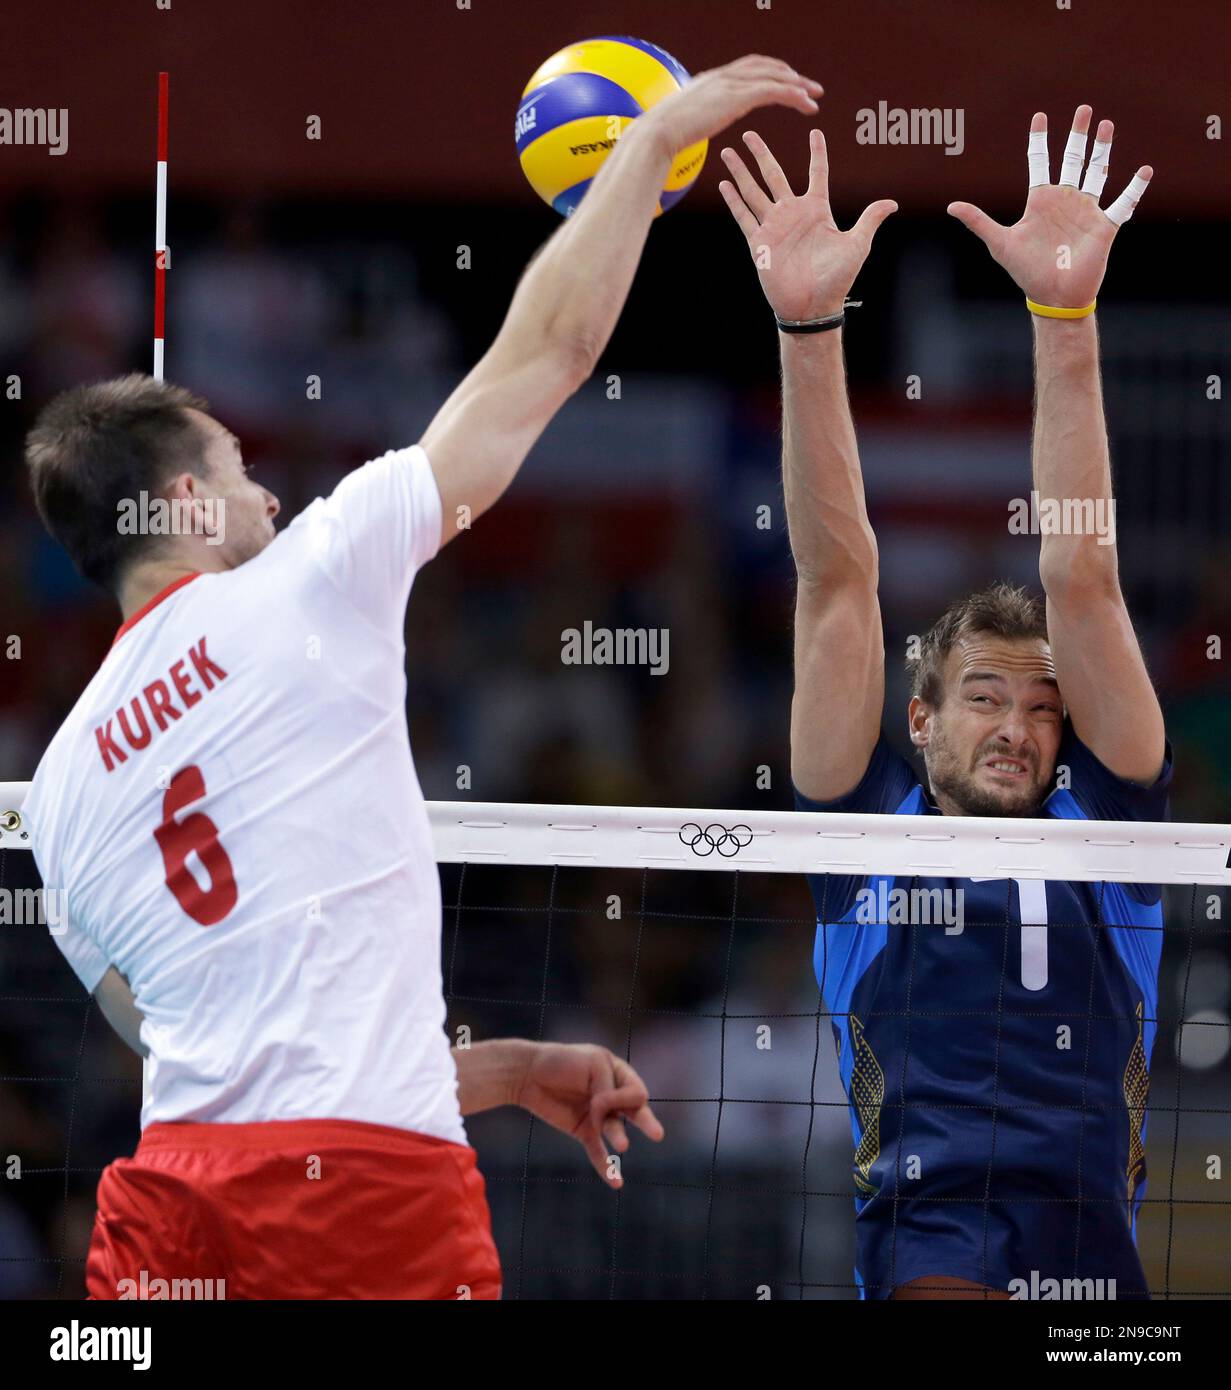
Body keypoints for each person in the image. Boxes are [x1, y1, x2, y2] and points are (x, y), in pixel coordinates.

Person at [20, 54, 824, 1301]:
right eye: (238, 468)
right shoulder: (313, 575)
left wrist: (497, 1071)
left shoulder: (55, 790)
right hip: (373, 1201)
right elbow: (547, 349)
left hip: (171, 1210)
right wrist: (649, 142)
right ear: (182, 498)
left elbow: (222, 1056)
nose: (268, 493)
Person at [719, 106, 1166, 1299]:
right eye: (982, 697)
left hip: (1093, 1259)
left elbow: (1081, 571)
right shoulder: (861, 832)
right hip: (932, 1236)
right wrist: (809, 328)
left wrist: (1064, 318)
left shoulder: (1114, 834)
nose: (1017, 724)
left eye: (1039, 704)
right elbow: (834, 581)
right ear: (920, 722)